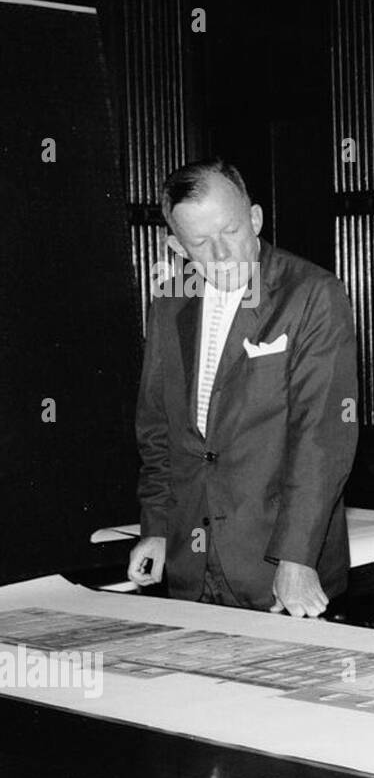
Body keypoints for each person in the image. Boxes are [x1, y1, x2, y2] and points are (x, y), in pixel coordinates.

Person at [128, 158, 359, 616]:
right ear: (176, 245)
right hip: (189, 565)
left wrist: (296, 558)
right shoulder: (170, 301)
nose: (220, 254)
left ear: (254, 218)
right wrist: (156, 526)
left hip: (278, 569)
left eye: (230, 232)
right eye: (200, 242)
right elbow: (158, 429)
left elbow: (322, 440)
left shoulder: (312, 294)